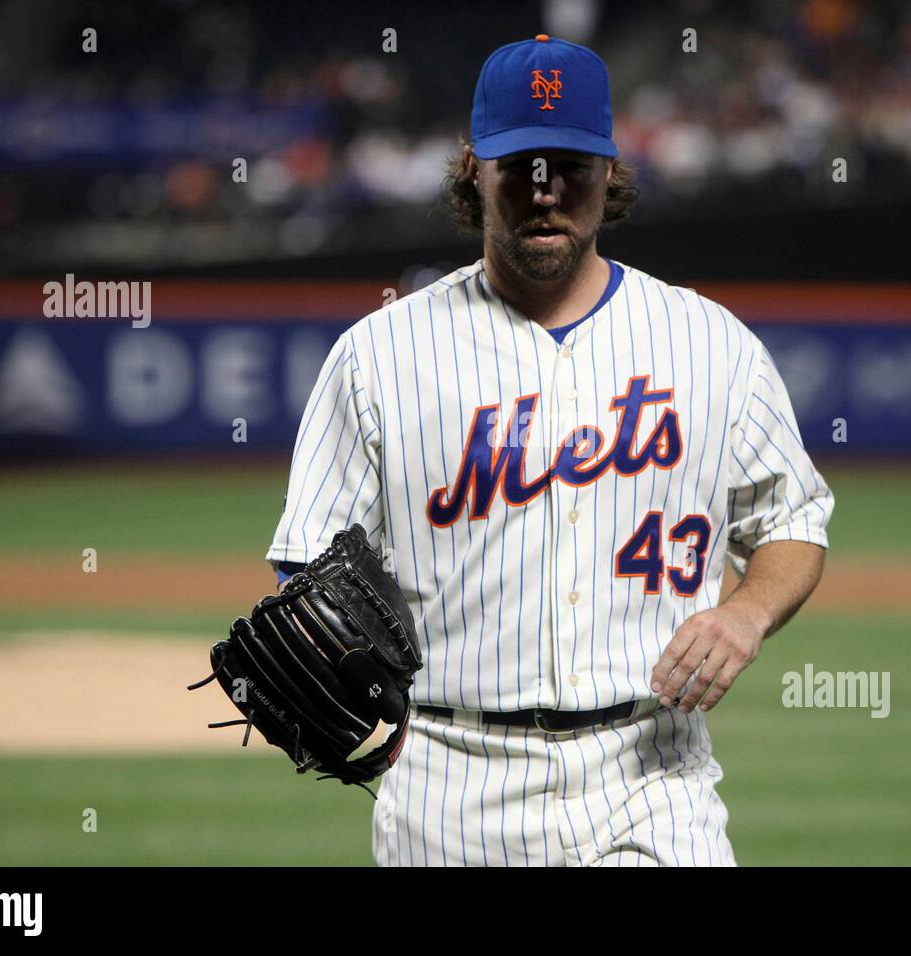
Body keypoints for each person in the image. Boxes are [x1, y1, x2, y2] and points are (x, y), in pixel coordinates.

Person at [266, 34, 833, 866]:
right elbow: (307, 561)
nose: (545, 193)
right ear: (472, 169)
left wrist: (746, 613)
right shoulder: (377, 356)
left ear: (611, 169)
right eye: (520, 166)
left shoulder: (710, 343)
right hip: (451, 788)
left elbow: (793, 519)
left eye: (568, 166)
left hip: (652, 775)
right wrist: (327, 643)